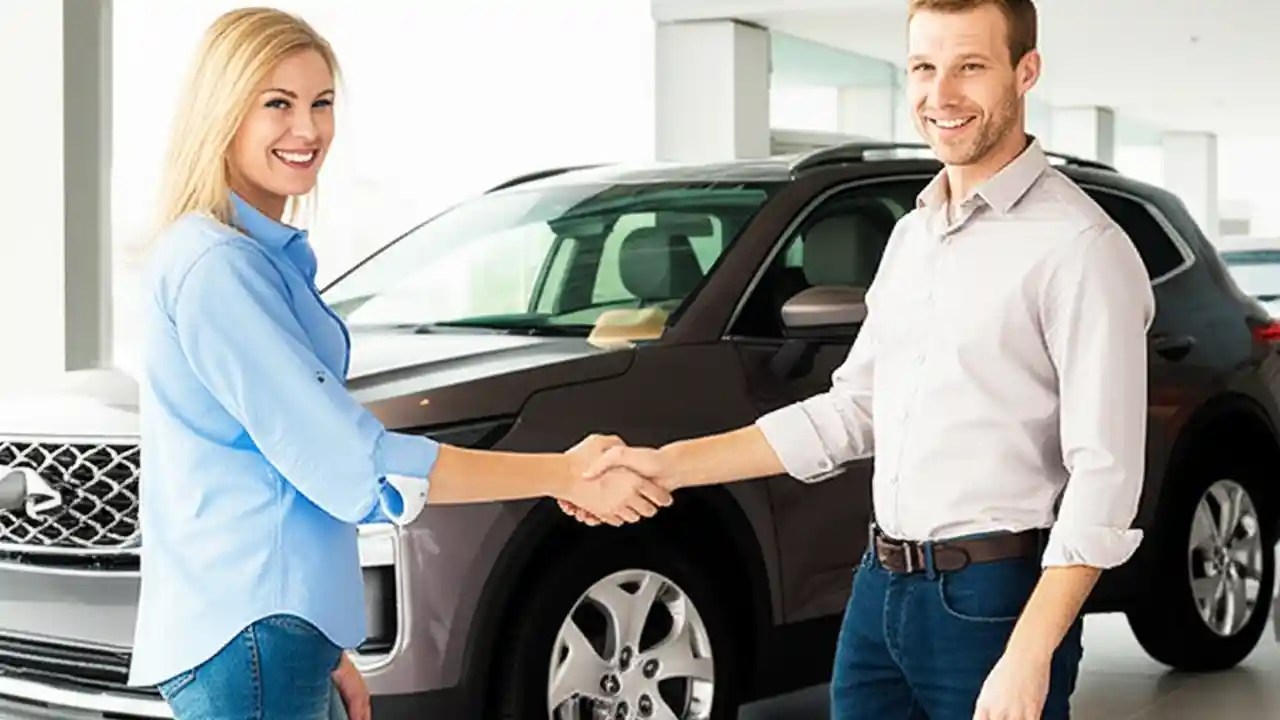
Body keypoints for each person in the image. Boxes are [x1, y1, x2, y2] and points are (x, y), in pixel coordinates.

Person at [565, 0, 1154, 718]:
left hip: (993, 600)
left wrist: (1029, 654)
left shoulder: (1081, 247)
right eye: (923, 68)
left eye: (970, 66)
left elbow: (1106, 475)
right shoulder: (913, 236)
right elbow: (854, 411)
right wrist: (667, 465)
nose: (942, 96)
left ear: (1025, 72)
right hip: (880, 586)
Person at [125, 7, 669, 720]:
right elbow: (355, 460)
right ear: (221, 112)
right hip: (252, 634)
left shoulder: (245, 256)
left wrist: (321, 641)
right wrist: (564, 472)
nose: (309, 130)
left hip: (270, 629)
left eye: (321, 103)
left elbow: (269, 466)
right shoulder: (220, 268)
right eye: (277, 104)